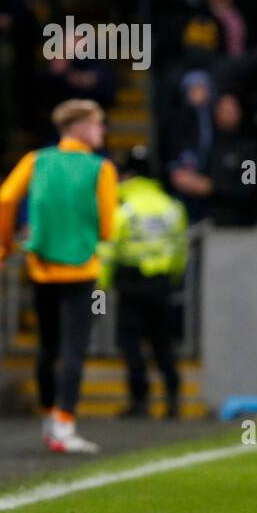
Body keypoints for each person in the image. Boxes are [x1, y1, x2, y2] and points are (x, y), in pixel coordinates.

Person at [0, 99, 117, 454]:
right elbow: (108, 227)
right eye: (97, 124)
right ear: (78, 126)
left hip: (41, 268)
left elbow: (5, 199)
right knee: (74, 348)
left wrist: (5, 246)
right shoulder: (101, 168)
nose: (102, 130)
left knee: (47, 347)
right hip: (81, 268)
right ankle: (65, 424)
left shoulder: (37, 160)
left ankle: (50, 419)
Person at [99, 146, 188, 419]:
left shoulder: (123, 207)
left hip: (131, 283)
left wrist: (100, 287)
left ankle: (140, 401)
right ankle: (173, 398)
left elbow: (108, 249)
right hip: (162, 284)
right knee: (163, 343)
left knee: (131, 344)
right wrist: (172, 277)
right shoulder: (171, 206)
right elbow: (179, 249)